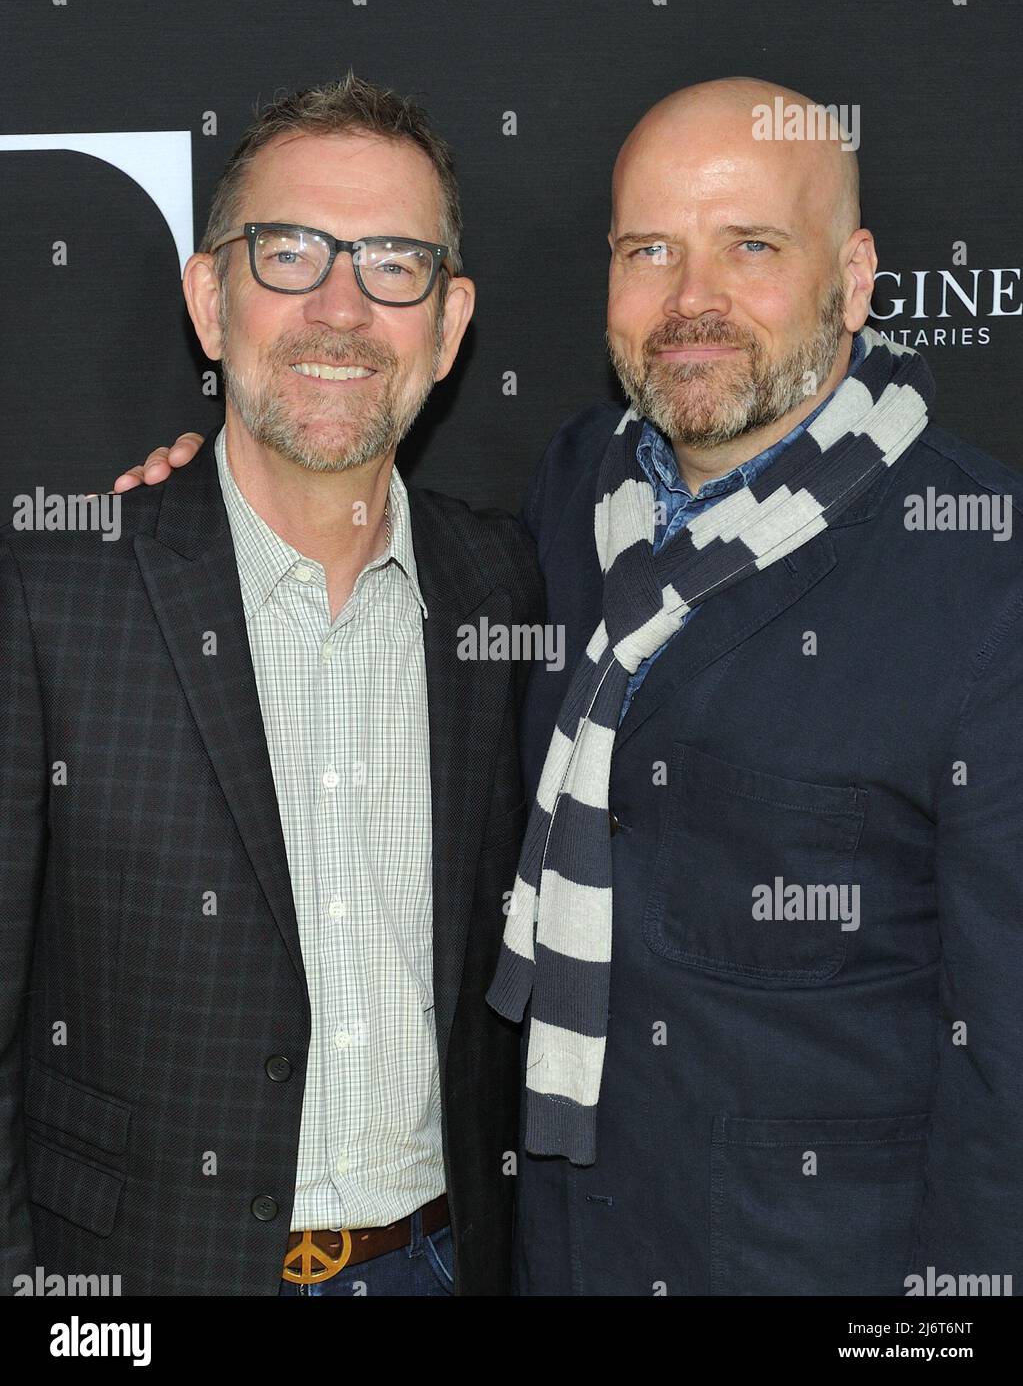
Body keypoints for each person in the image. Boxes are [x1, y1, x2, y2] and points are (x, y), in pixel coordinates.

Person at [113, 75, 1023, 1297]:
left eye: (750, 245)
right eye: (649, 249)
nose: (689, 299)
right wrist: (196, 502)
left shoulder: (983, 578)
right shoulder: (575, 502)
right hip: (544, 1260)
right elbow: (322, 501)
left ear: (854, 279)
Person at [0, 73, 542, 1298]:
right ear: (211, 297)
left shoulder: (507, 587)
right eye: (292, 252)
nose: (341, 308)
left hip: (443, 1264)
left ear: (449, 325)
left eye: (394, 262)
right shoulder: (55, 594)